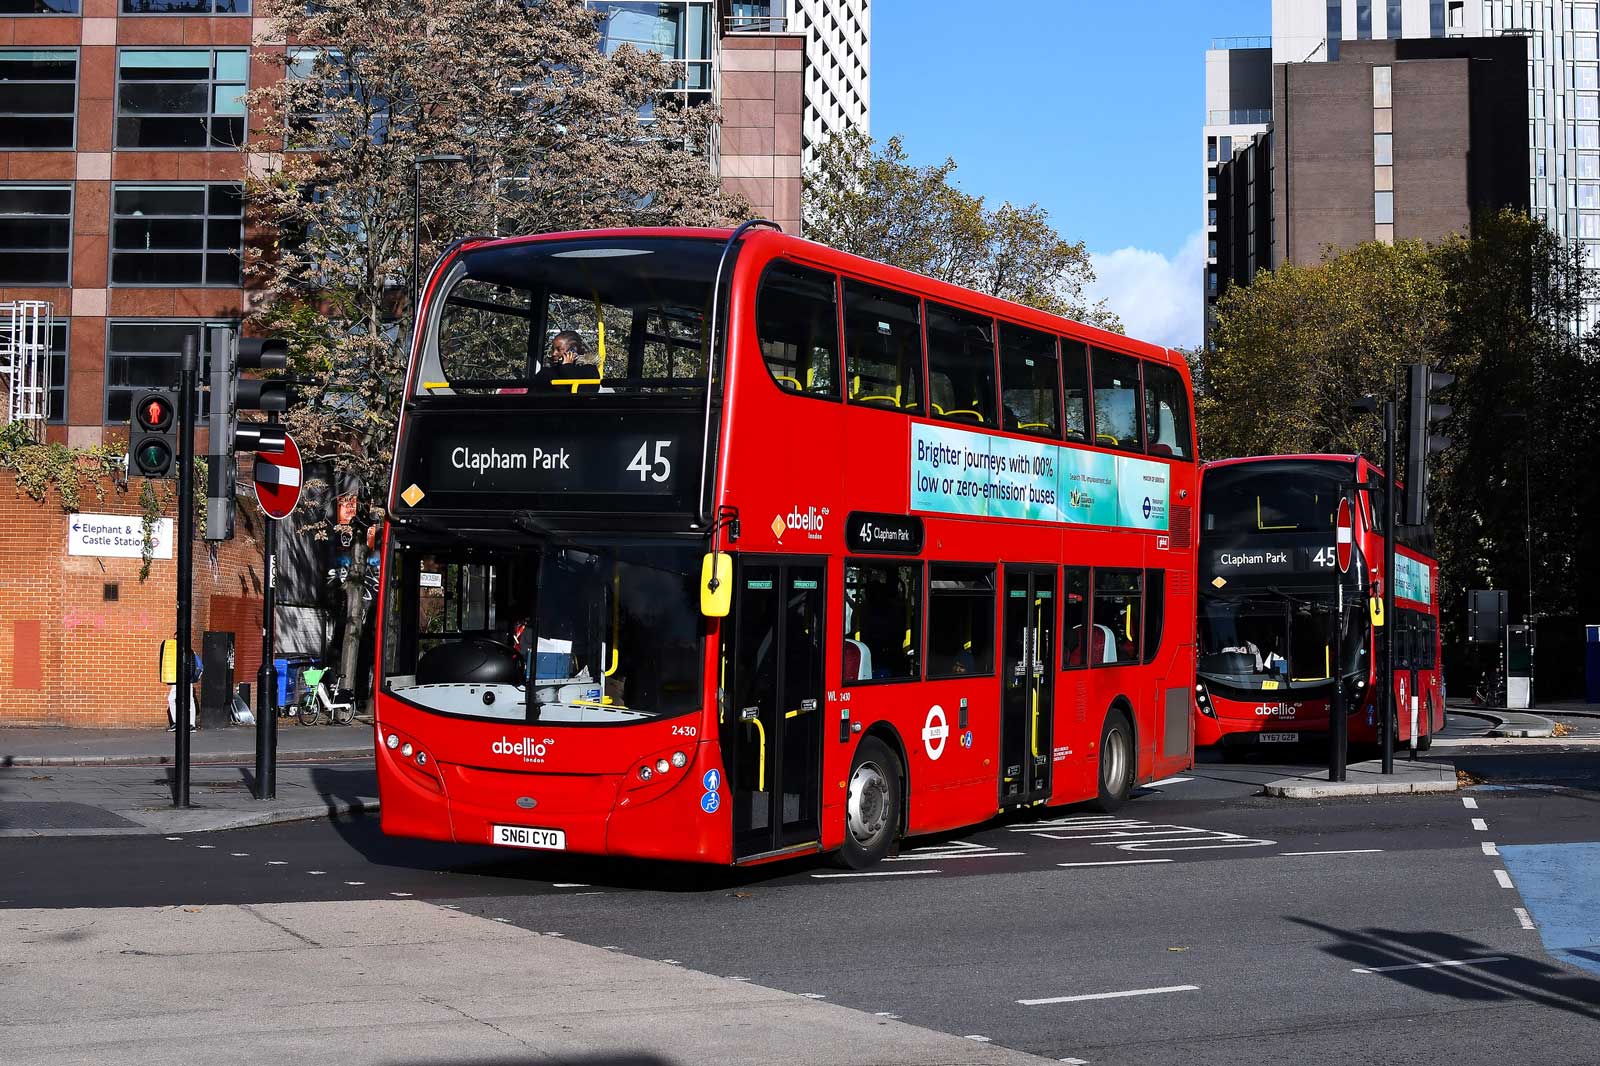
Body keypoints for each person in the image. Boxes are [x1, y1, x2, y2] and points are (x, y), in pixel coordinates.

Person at [533, 330, 600, 391]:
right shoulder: (546, 372)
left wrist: (567, 368)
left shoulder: (589, 370)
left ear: (573, 350)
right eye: (553, 349)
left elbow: (585, 392)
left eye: (559, 350)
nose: (553, 354)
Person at [166, 648, 202, 731]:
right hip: (182, 679)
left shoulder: (187, 651)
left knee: (188, 700)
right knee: (174, 699)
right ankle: (185, 723)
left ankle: (190, 724)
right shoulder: (189, 651)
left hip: (185, 678)